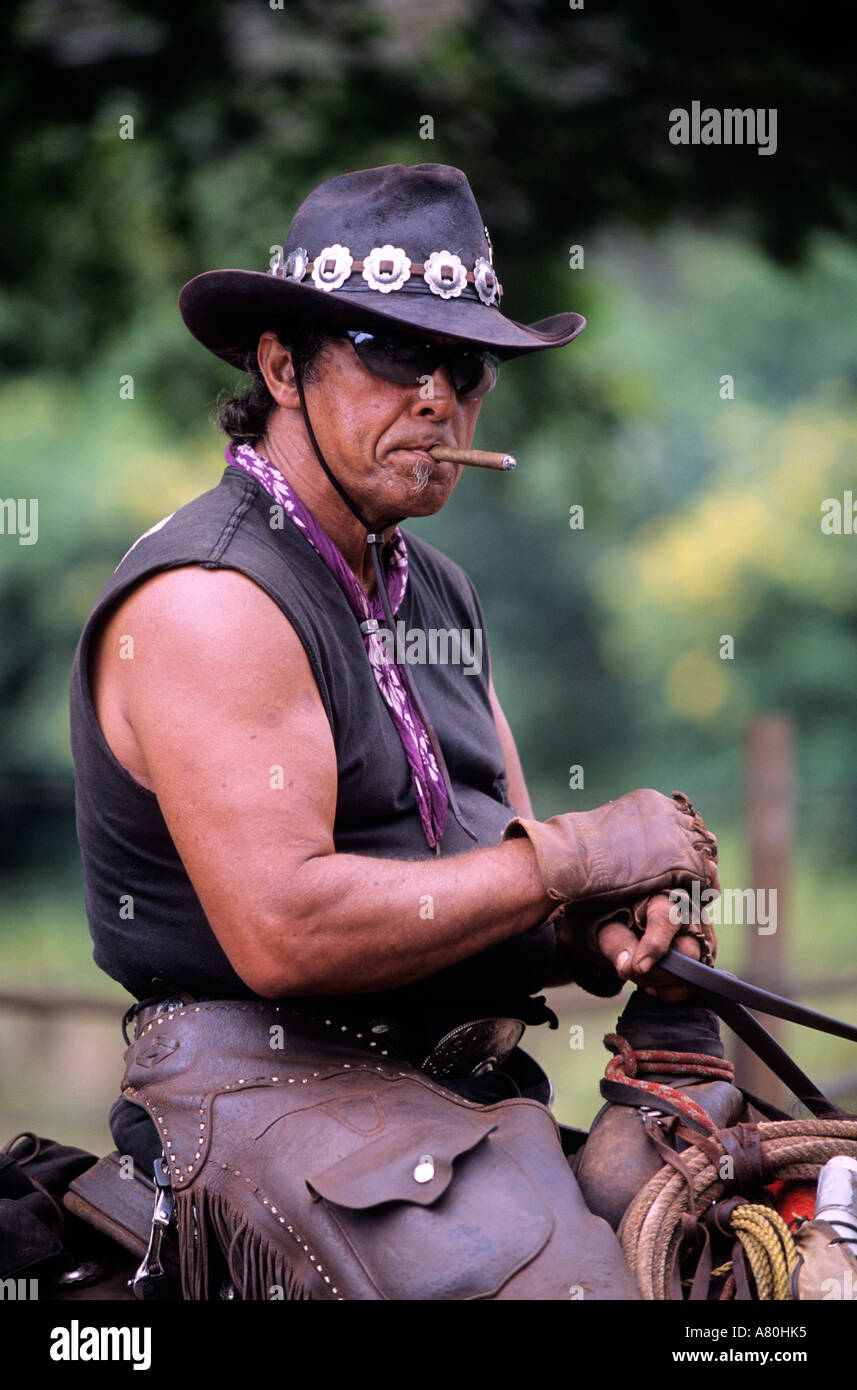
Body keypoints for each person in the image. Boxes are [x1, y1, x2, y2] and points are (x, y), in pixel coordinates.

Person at [69, 163, 721, 1300]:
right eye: (386, 350)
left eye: (463, 365)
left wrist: (599, 931)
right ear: (280, 366)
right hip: (263, 1099)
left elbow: (496, 888)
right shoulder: (211, 599)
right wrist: (570, 856)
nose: (436, 395)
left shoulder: (437, 592)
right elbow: (287, 931)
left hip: (452, 1097)